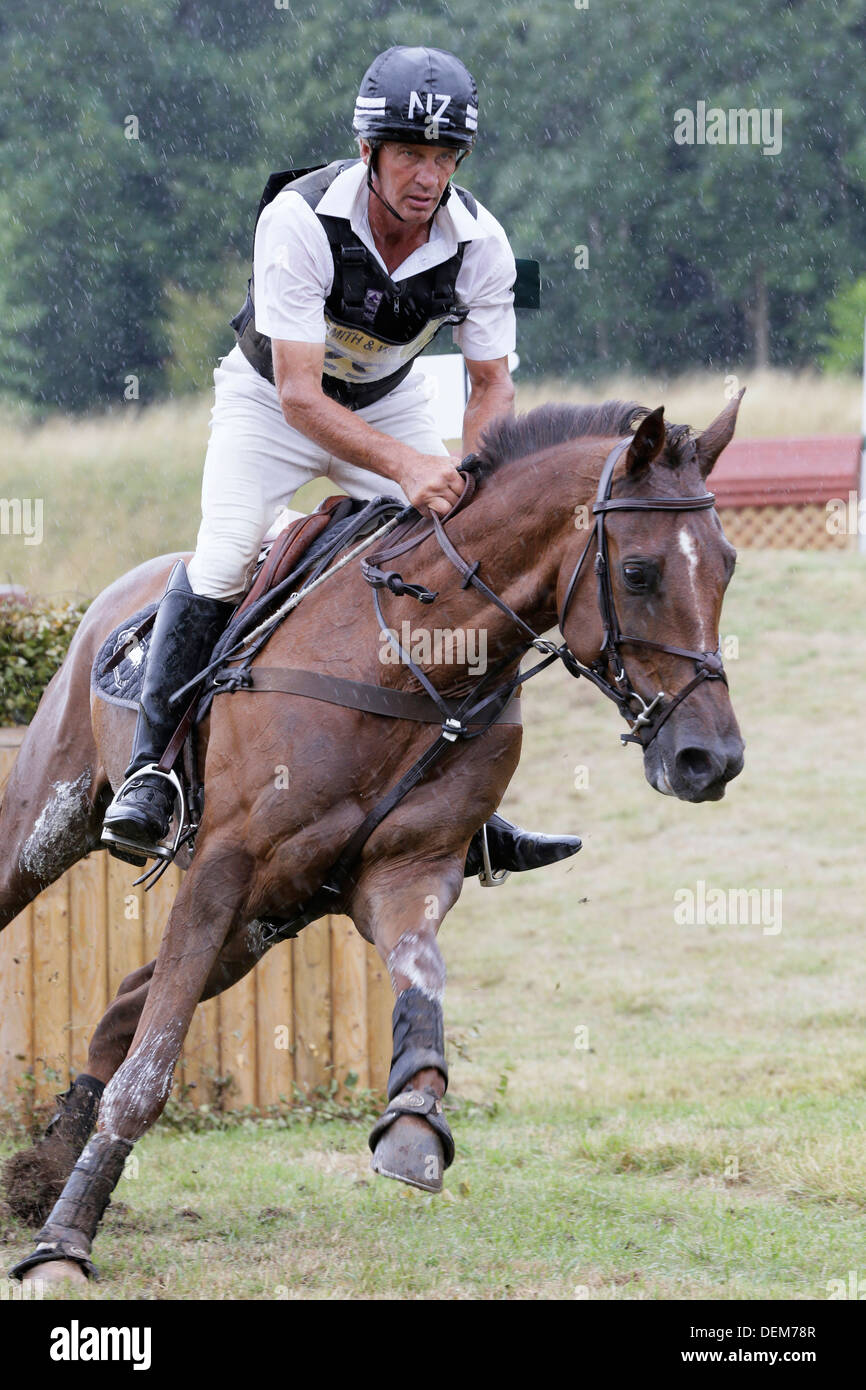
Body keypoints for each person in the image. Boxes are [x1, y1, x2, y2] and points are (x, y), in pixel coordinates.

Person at [101, 45, 579, 881]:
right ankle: (150, 770)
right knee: (223, 555)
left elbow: (491, 384)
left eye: (443, 158)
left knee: (460, 569)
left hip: (386, 401)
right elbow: (298, 395)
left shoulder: (481, 243)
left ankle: (469, 810)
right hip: (271, 403)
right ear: (368, 153)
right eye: (410, 155)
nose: (427, 176)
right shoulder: (298, 216)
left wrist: (471, 475)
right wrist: (405, 468)